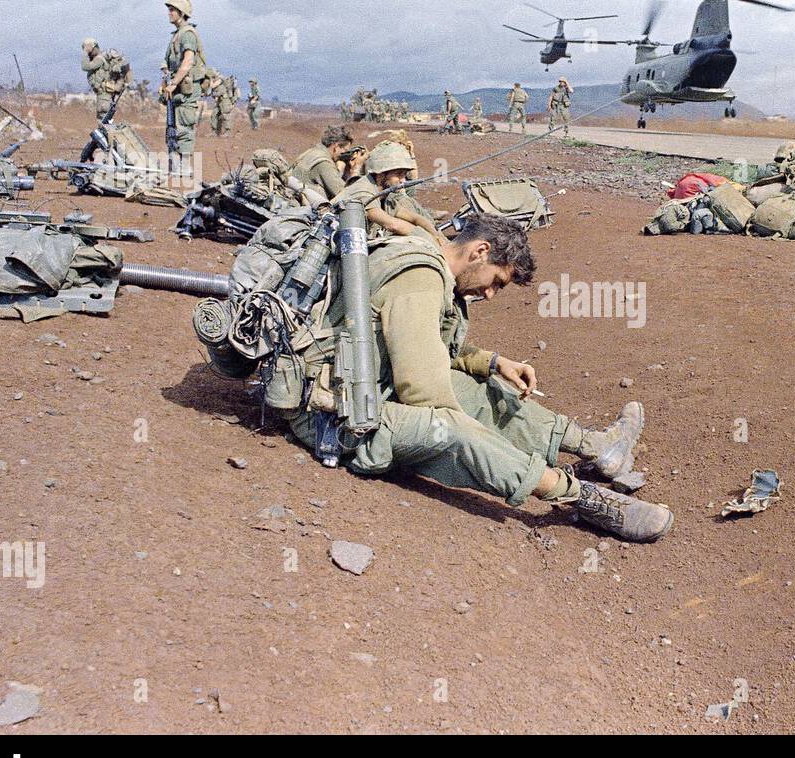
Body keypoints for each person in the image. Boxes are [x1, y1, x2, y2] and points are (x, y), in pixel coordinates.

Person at [272, 212, 674, 542]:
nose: (491, 294)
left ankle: (597, 447)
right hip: (333, 416)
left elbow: (427, 347)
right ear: (480, 251)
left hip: (363, 388)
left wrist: (491, 363)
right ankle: (580, 497)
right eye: (496, 281)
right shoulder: (421, 277)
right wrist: (484, 438)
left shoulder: (428, 257)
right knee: (451, 427)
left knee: (479, 389)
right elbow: (423, 391)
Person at [160, 0, 209, 172]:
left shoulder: (187, 34)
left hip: (186, 89)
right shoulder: (177, 35)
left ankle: (185, 166)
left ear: (182, 13)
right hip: (177, 89)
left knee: (184, 127)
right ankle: (174, 164)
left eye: (172, 10)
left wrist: (173, 83)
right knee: (172, 127)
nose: (169, 13)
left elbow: (188, 61)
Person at [290, 124, 364, 201]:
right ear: (336, 146)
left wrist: (344, 171)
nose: (344, 154)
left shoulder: (313, 152)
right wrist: (356, 169)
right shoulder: (323, 163)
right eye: (345, 150)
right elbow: (346, 195)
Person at [80, 39, 111, 120]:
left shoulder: (99, 59)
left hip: (104, 95)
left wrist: (85, 52)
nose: (89, 54)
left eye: (90, 52)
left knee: (103, 120)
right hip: (103, 94)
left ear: (94, 48)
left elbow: (85, 67)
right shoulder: (100, 58)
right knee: (103, 120)